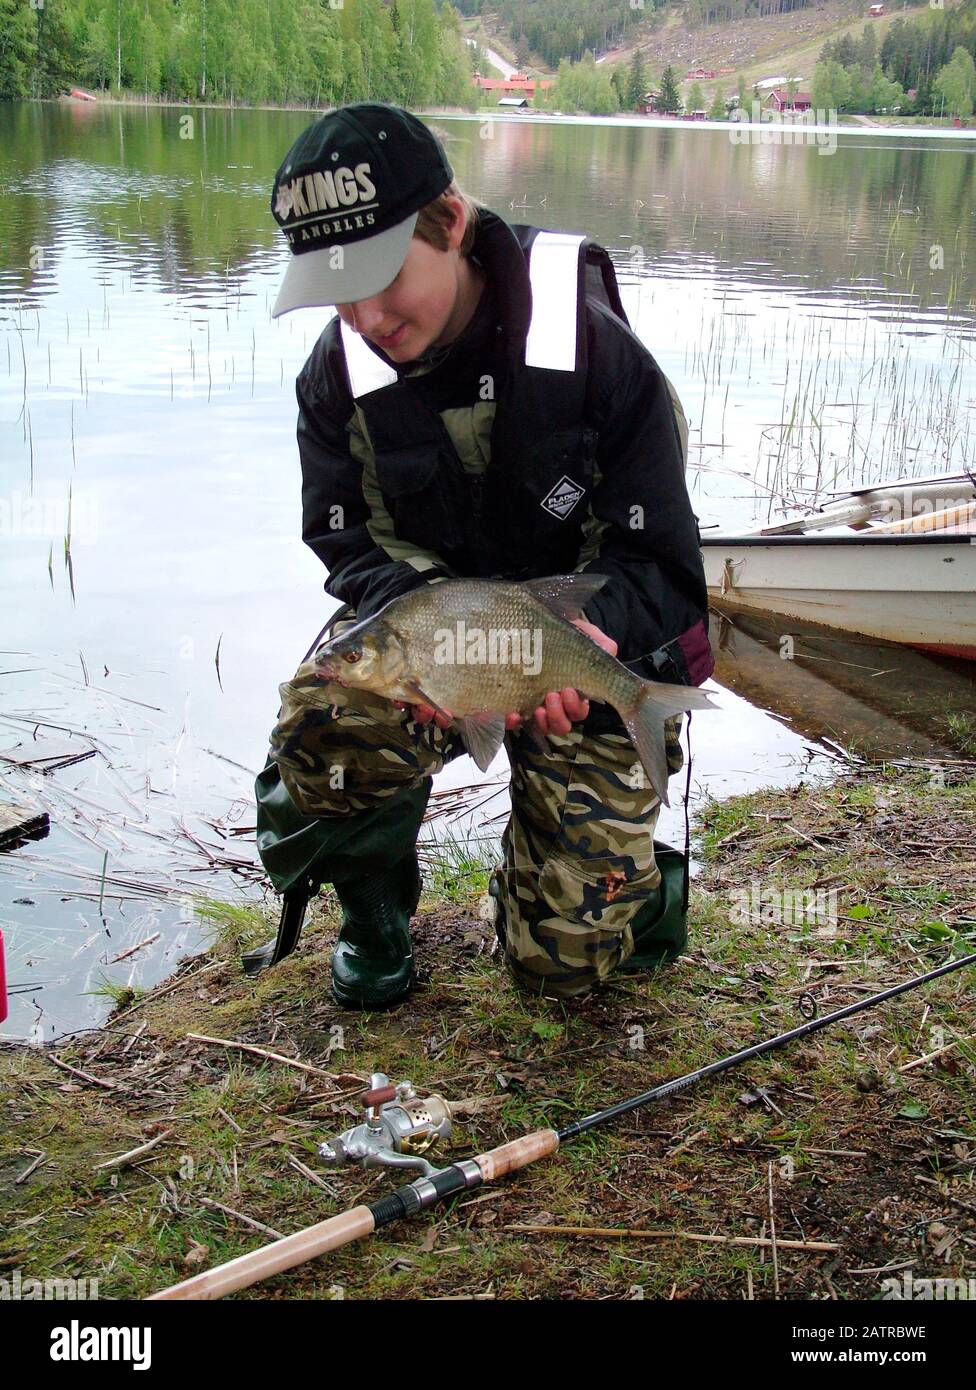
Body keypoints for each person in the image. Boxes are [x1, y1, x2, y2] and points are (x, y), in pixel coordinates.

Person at [247, 101, 713, 1009]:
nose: (365, 313)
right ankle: (374, 912)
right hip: (434, 639)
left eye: (383, 277)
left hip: (579, 656)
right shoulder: (336, 377)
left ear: (451, 223)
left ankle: (607, 883)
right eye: (337, 289)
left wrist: (598, 634)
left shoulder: (597, 353)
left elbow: (665, 569)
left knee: (561, 972)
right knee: (324, 724)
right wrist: (424, 623)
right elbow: (348, 544)